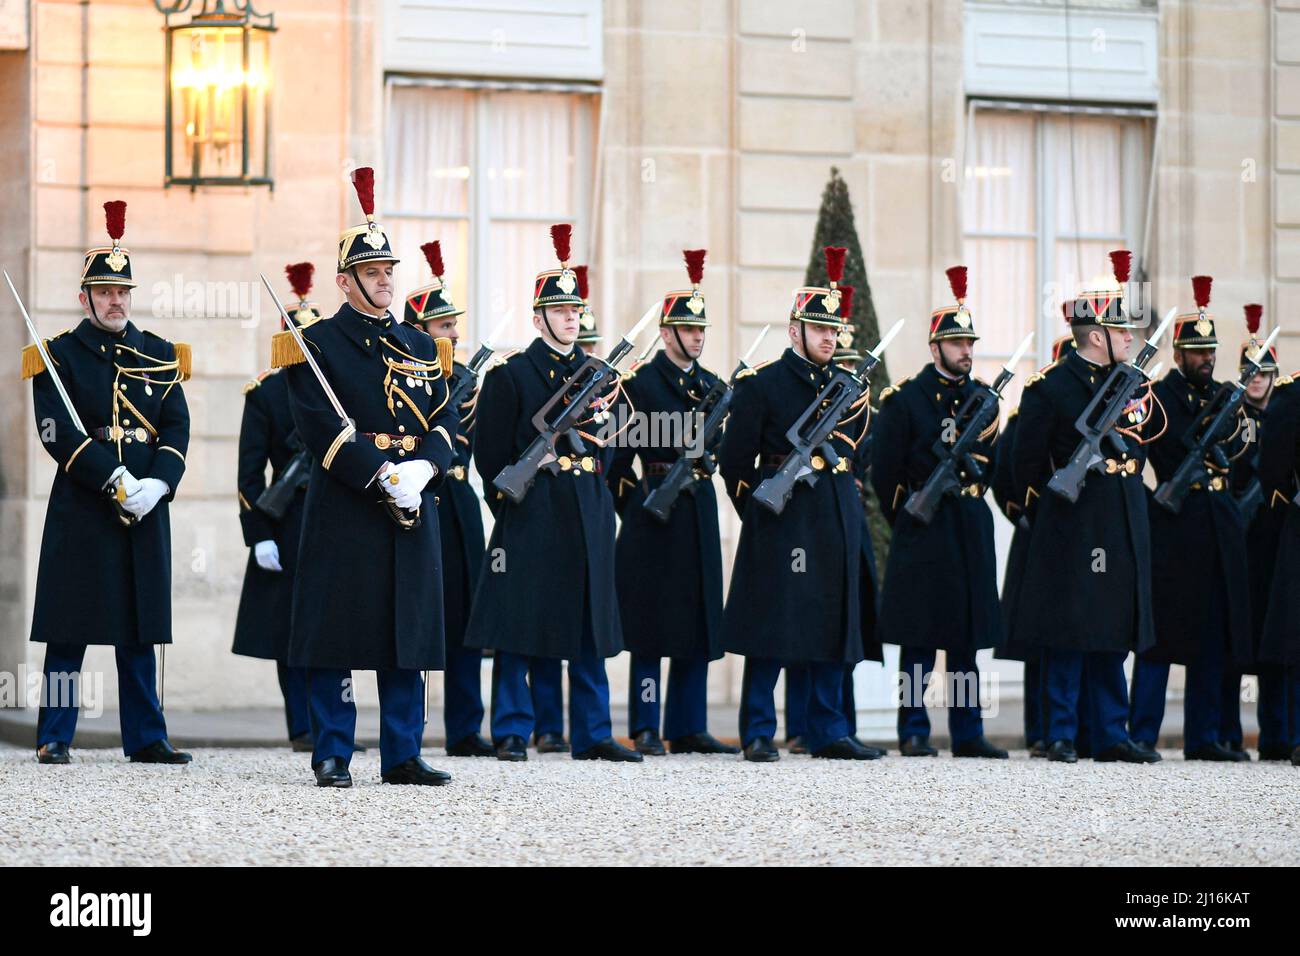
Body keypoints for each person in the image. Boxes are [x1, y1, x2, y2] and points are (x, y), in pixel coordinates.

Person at [276, 167, 458, 787]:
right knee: (338, 632)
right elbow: (318, 427)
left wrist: (426, 465)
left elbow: (445, 418)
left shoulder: (419, 344)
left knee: (407, 633)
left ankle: (403, 751)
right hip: (350, 501)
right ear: (345, 281)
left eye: (389, 272)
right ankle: (332, 749)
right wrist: (379, 472)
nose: (384, 282)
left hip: (413, 498)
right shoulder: (315, 343)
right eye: (372, 274)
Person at [23, 200, 193, 765]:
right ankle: (55, 735)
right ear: (85, 297)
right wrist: (111, 475)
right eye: (104, 291)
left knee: (140, 628)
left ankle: (146, 737)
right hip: (84, 501)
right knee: (69, 627)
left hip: (144, 503)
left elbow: (176, 425)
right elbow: (56, 431)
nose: (115, 300)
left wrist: (158, 484)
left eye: (122, 291)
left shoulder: (160, 354)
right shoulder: (57, 355)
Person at [463, 225, 641, 762]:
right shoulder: (511, 375)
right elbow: (489, 454)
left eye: (575, 312)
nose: (571, 319)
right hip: (534, 507)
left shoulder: (596, 374)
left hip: (585, 504)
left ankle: (592, 732)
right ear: (538, 318)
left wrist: (598, 490)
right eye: (560, 312)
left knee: (589, 624)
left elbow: (614, 442)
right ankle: (514, 730)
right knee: (520, 621)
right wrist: (520, 487)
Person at [718, 246, 881, 761]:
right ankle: (760, 731)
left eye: (834, 331)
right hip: (782, 519)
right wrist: (761, 511)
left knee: (832, 622)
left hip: (834, 514)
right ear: (795, 332)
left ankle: (826, 729)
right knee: (772, 627)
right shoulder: (761, 384)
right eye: (819, 330)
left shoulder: (848, 387)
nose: (829, 338)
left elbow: (864, 455)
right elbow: (734, 460)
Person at [1010, 250, 1160, 763]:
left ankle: (1111, 733)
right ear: (1096, 335)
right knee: (1071, 627)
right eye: (1122, 333)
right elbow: (1023, 464)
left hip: (1120, 513)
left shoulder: (1130, 384)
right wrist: (1049, 510)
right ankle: (1061, 732)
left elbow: (1147, 434)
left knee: (1114, 627)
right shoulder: (1050, 388)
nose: (1130, 340)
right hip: (1073, 521)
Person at [871, 266, 1007, 759]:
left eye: (969, 342)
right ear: (935, 348)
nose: (966, 351)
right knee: (919, 640)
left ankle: (967, 732)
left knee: (967, 639)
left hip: (968, 524)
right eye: (956, 343)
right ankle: (913, 729)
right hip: (923, 529)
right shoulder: (905, 400)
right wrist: (908, 516)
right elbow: (884, 473)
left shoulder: (985, 401)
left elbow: (997, 463)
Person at [607, 250, 739, 756]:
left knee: (696, 619)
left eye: (702, 329)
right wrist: (637, 508)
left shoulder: (711, 387)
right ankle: (644, 724)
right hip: (652, 514)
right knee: (649, 626)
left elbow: (726, 451)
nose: (698, 336)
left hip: (697, 508)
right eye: (688, 329)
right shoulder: (639, 385)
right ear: (666, 334)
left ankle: (689, 725)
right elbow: (617, 464)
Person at [1129, 276, 1252, 762]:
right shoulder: (1161, 396)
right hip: (1177, 526)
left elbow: (1242, 450)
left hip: (1218, 521)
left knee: (1213, 634)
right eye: (1198, 352)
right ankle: (1141, 733)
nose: (1207, 359)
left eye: (1211, 350)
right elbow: (1153, 448)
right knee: (1160, 638)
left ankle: (1205, 737)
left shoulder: (1225, 396)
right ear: (1178, 354)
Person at [403, 241, 494, 757]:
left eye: (455, 326)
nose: (455, 335)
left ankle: (464, 727)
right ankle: (408, 730)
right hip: (418, 501)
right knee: (416, 618)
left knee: (463, 621)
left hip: (457, 503)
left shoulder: (466, 382)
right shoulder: (404, 378)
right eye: (444, 327)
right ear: (420, 331)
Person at [232, 263, 322, 752]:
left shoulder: (337, 392)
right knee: (290, 629)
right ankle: (302, 726)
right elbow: (249, 475)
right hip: (286, 521)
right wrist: (258, 532)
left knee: (331, 622)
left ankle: (332, 723)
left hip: (331, 520)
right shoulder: (266, 393)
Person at [1223, 305, 1290, 759]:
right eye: (1250, 373)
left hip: (1273, 539)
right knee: (1232, 642)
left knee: (1275, 646)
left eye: (1263, 373)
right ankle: (1226, 732)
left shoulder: (1284, 416)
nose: (1256, 381)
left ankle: (1276, 735)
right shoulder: (1228, 417)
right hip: (1235, 538)